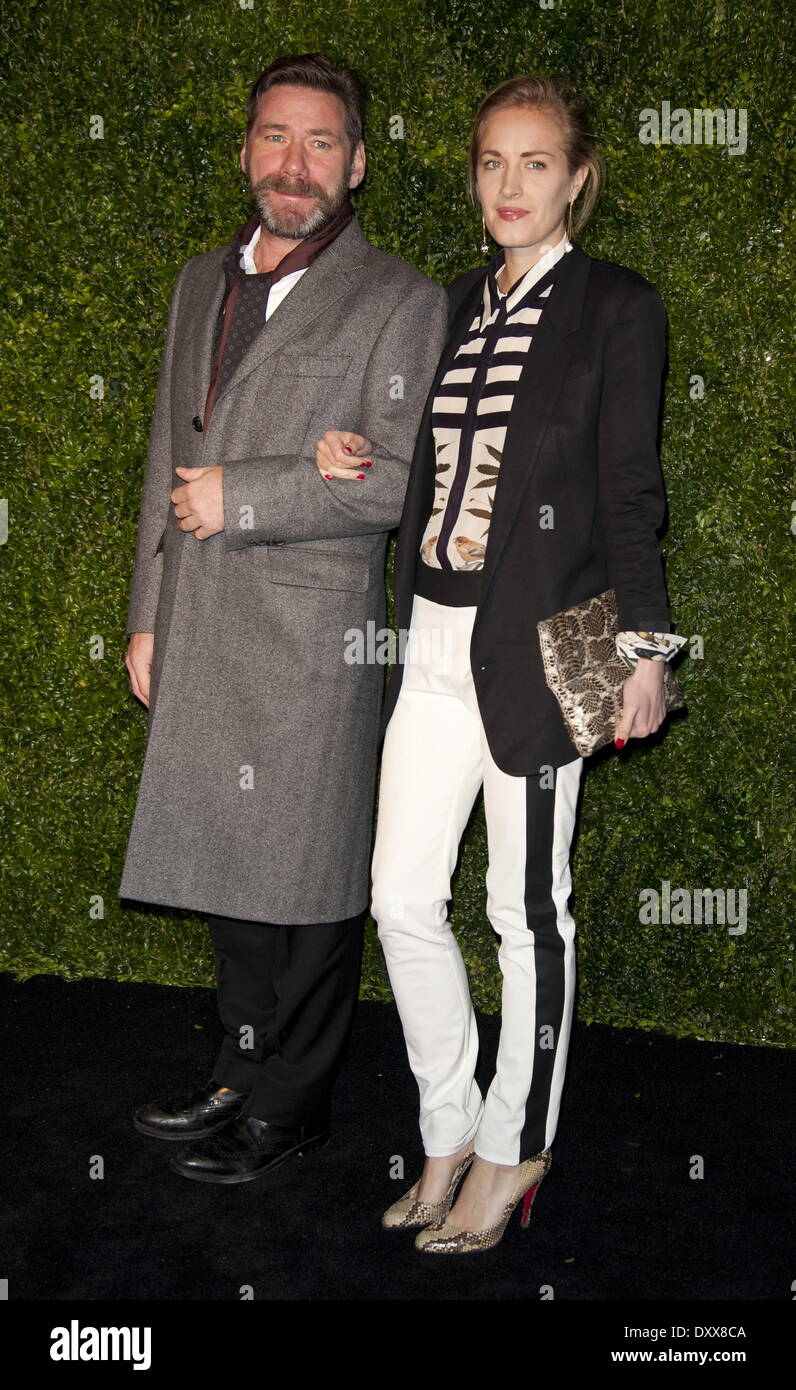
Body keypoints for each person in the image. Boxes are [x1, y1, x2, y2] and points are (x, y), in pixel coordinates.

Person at [358, 74, 685, 1251]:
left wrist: (643, 652)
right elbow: (424, 454)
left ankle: (514, 1148)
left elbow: (630, 491)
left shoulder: (615, 307)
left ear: (577, 177)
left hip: (551, 649)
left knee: (523, 912)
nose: (509, 184)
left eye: (535, 162)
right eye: (492, 162)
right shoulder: (446, 306)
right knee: (400, 896)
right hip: (432, 644)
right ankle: (446, 1126)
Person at [118, 53, 448, 1184]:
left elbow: (399, 480)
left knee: (306, 880)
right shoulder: (197, 282)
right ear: (248, 149)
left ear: (355, 163)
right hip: (203, 620)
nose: (292, 163)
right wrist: (149, 609)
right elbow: (169, 450)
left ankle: (292, 1103)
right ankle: (236, 1064)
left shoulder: (401, 299)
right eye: (274, 137)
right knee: (230, 862)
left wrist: (246, 495)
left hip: (314, 640)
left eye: (318, 143)